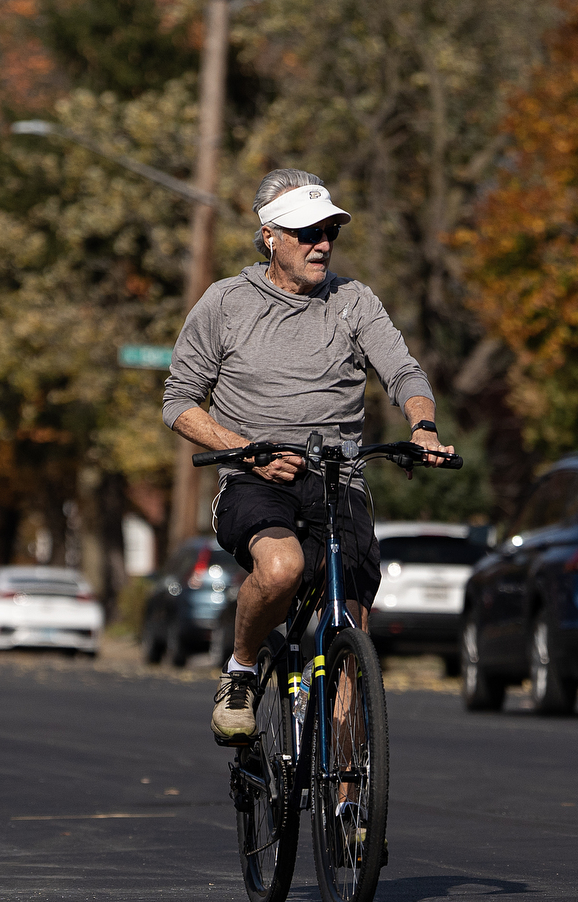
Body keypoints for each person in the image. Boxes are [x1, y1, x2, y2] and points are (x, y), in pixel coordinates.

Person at [162, 168, 454, 745]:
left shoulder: (353, 302)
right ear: (270, 235)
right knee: (283, 569)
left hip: (337, 478)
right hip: (256, 478)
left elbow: (402, 370)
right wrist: (244, 451)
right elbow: (178, 403)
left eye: (330, 233)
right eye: (306, 233)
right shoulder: (226, 303)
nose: (321, 244)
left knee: (351, 623)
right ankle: (242, 671)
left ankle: (349, 805)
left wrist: (422, 426)